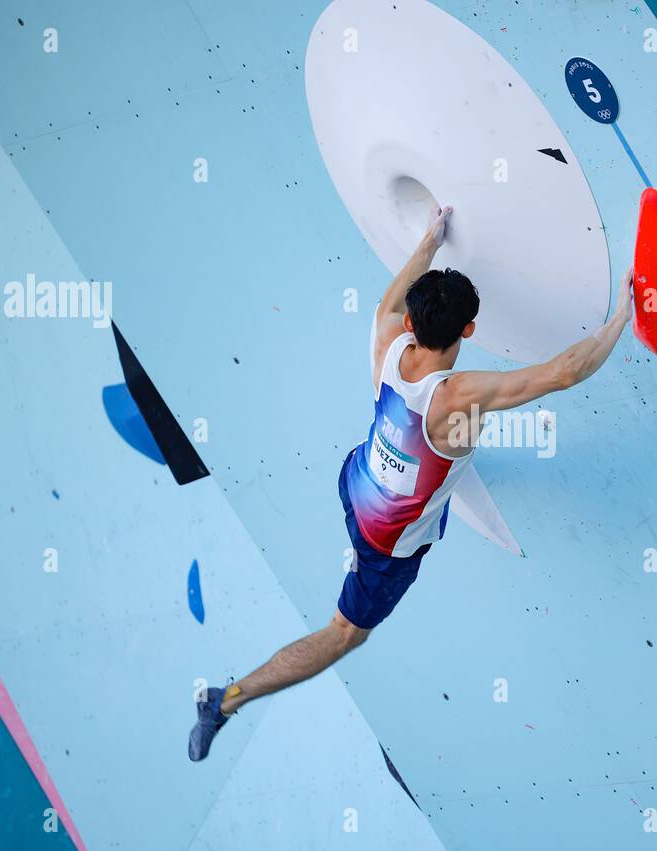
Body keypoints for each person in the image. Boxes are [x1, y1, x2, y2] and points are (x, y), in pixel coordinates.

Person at [190, 206, 633, 760]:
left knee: (438, 442)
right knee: (344, 635)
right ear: (469, 331)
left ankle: (431, 463)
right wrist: (622, 316)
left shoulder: (388, 339)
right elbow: (563, 373)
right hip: (385, 544)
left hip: (356, 480)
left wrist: (430, 239)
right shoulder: (460, 394)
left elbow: (388, 300)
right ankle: (225, 699)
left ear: (411, 324)